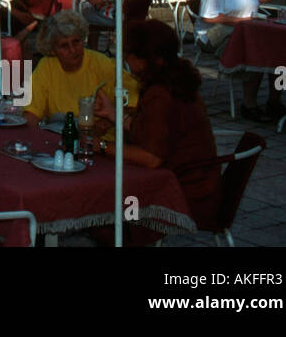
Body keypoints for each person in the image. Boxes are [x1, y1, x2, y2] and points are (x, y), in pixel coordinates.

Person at [94, 19, 222, 232]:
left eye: (130, 54)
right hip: (203, 182)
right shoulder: (177, 79)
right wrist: (113, 114)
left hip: (185, 192)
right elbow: (154, 131)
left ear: (148, 59)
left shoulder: (160, 93)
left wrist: (100, 147)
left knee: (100, 204)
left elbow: (151, 158)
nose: (126, 59)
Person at [22, 10, 138, 132]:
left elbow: (135, 103)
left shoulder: (102, 64)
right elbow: (32, 112)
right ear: (52, 50)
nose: (73, 50)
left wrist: (105, 123)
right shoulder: (47, 66)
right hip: (59, 137)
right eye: (64, 46)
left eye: (76, 42)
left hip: (100, 141)